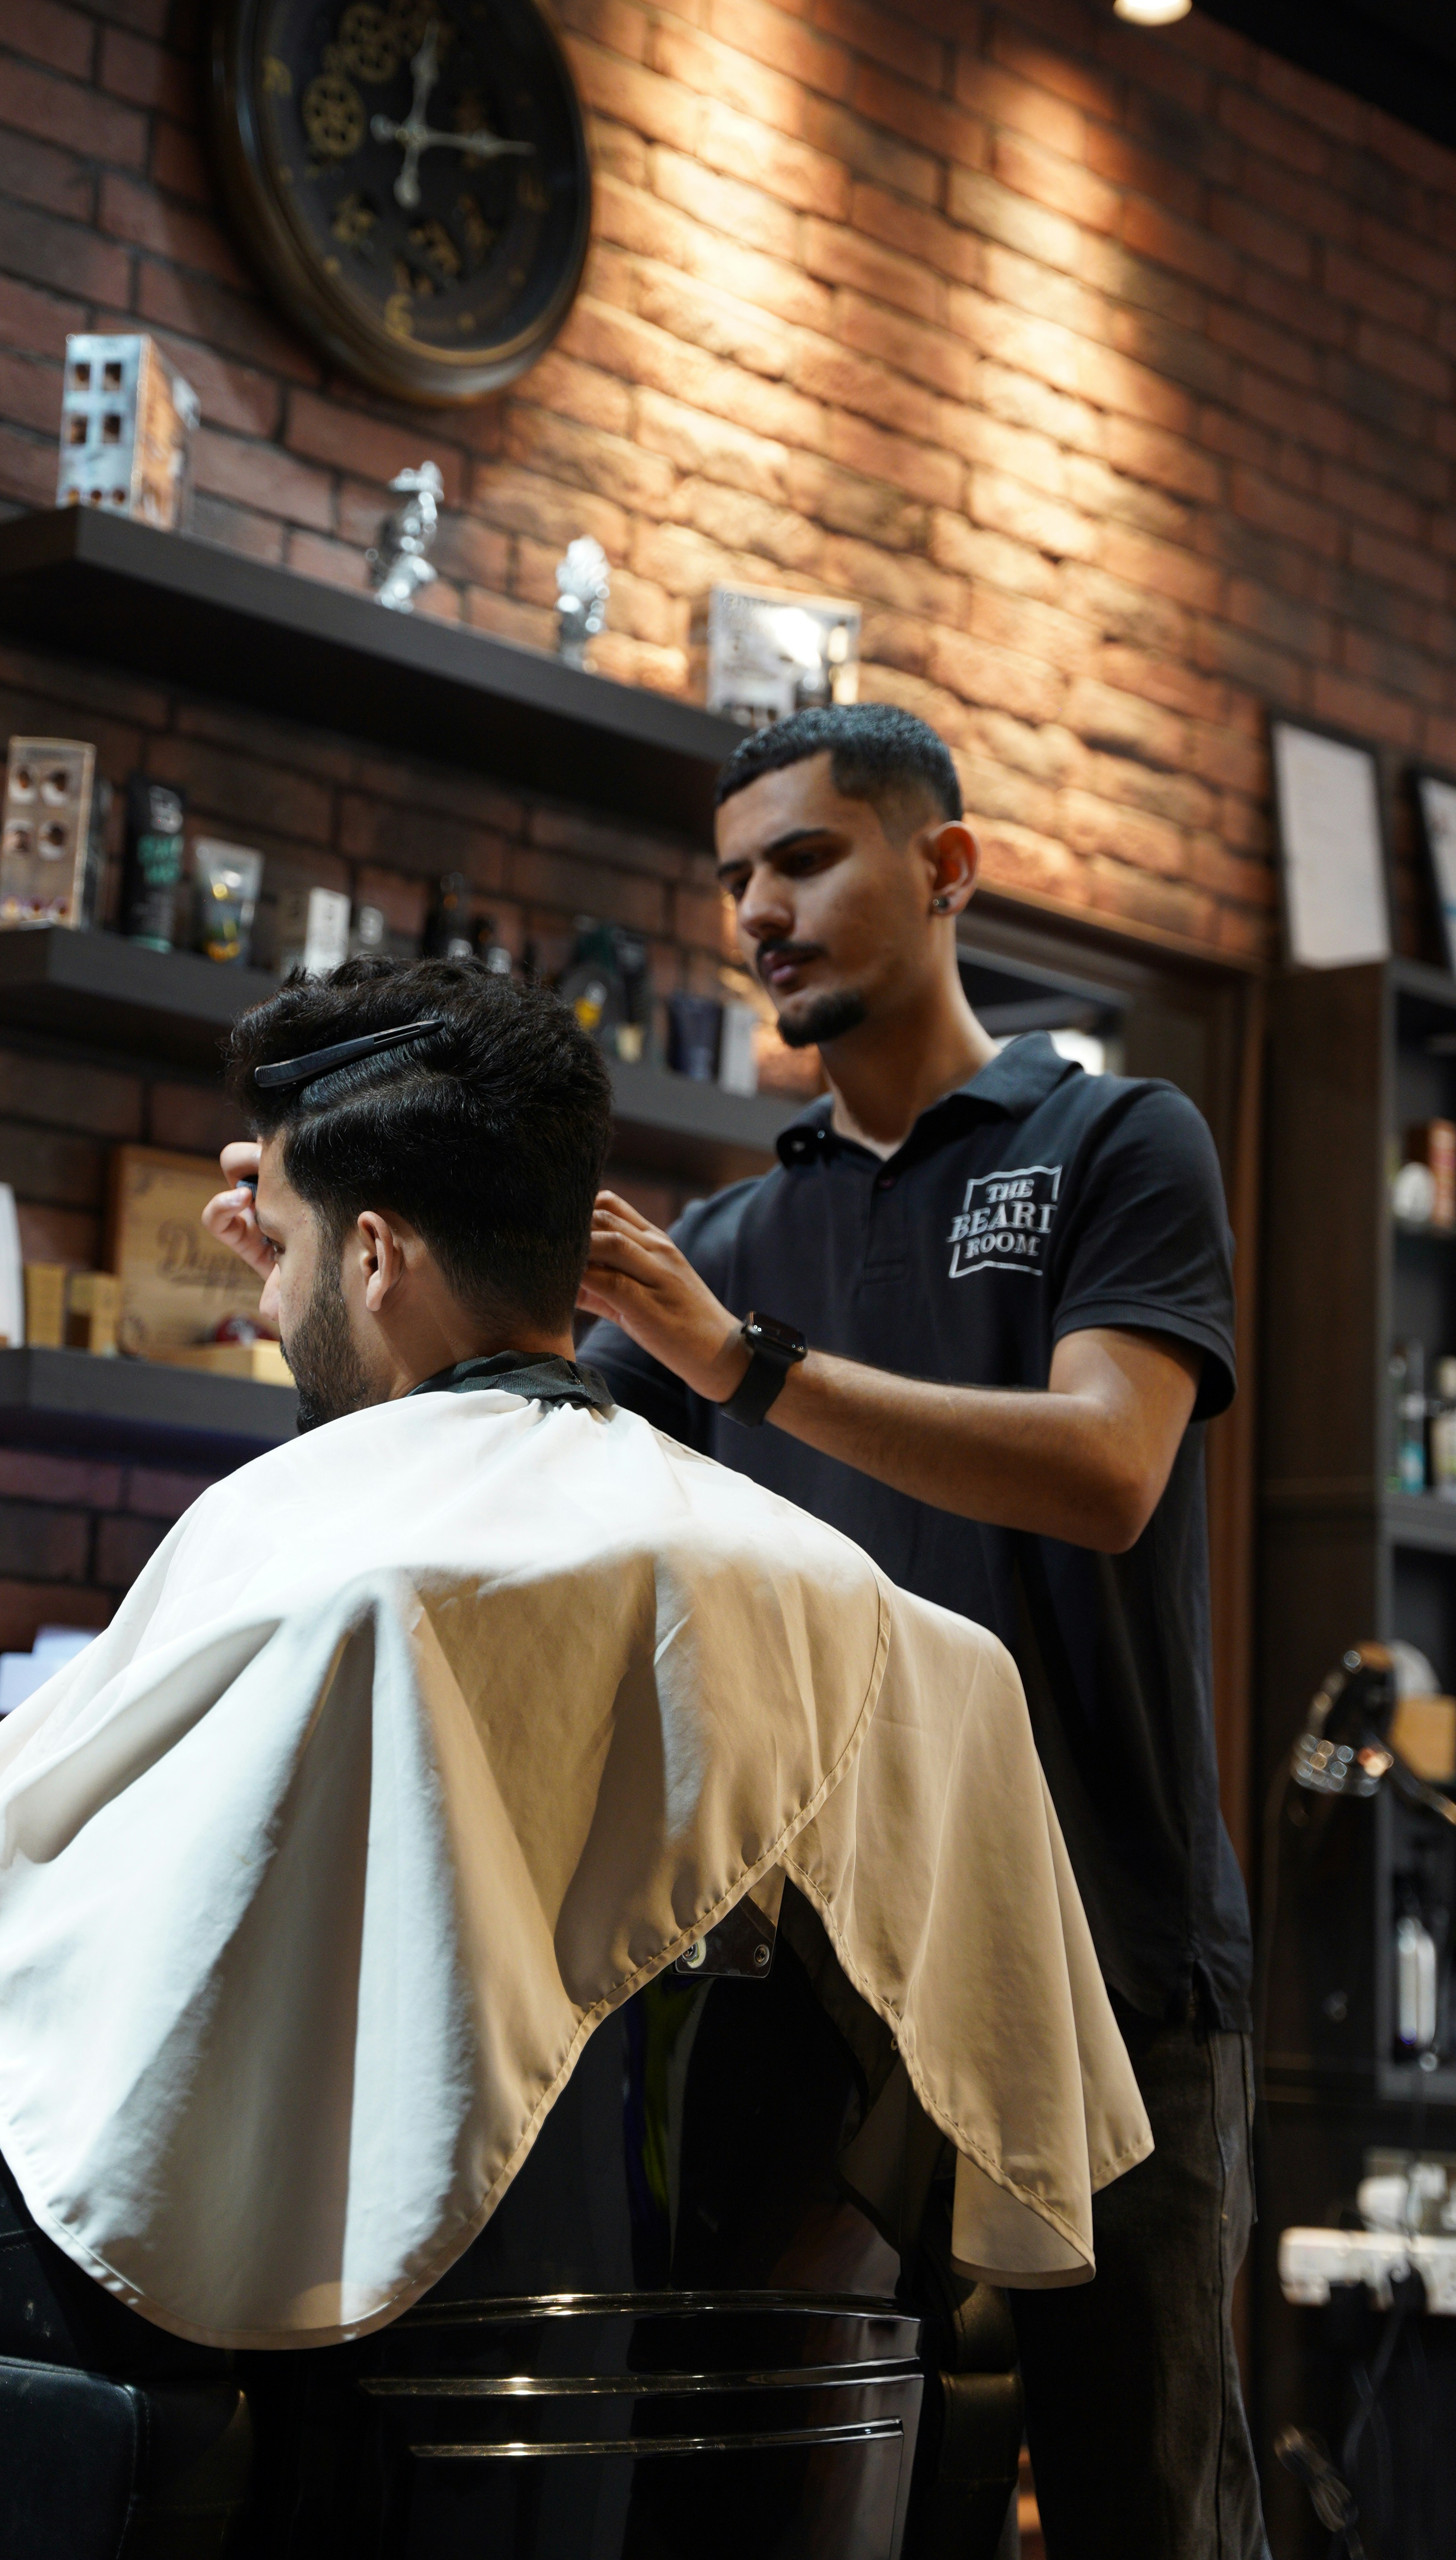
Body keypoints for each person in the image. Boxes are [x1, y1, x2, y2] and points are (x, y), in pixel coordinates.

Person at [0, 959, 1148, 2560]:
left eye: (294, 1252)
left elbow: (56, 1959)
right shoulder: (832, 1598)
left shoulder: (361, 1571)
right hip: (757, 2417)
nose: (259, 1295)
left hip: (354, 2400)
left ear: (380, 1253)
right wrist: (350, 1266)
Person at [574, 702, 1265, 2560]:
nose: (756, 914)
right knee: (754, 2497)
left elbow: (1109, 1467)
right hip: (814, 1960)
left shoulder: (1116, 1137)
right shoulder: (731, 1231)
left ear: (943, 866)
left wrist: (741, 1368)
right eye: (733, 880)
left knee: (1148, 2512)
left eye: (800, 859)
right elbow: (525, 1465)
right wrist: (341, 1274)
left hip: (1105, 1950)